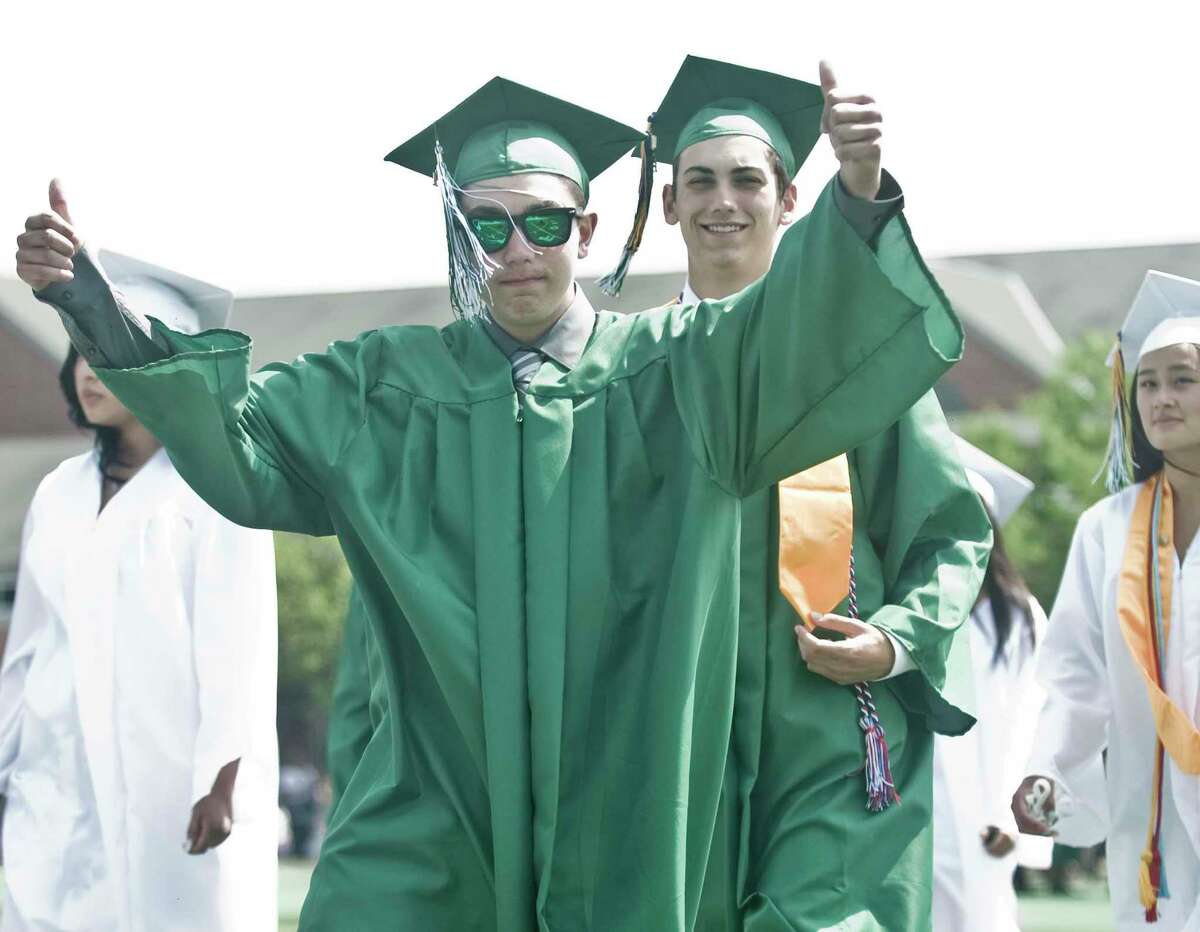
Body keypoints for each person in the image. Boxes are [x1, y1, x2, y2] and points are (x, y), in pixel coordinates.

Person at [16, 70, 963, 930]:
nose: (518, 249)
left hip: (625, 787)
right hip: (449, 792)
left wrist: (858, 197)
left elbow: (805, 337)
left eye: (546, 223)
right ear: (456, 231)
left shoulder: (684, 370)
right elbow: (240, 446)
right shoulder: (386, 389)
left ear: (586, 232)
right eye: (488, 223)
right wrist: (96, 310)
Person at [599, 55, 990, 931]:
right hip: (675, 724)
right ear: (668, 205)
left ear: (789, 202)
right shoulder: (623, 369)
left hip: (833, 719)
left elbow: (950, 530)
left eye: (747, 179)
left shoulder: (853, 357)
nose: (721, 200)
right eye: (698, 180)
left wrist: (897, 640)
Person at [0, 251, 279, 930]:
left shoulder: (212, 487)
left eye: (109, 351)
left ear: (161, 369)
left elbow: (238, 644)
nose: (86, 369)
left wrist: (220, 781)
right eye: (79, 349)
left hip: (172, 772)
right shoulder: (58, 491)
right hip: (56, 770)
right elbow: (29, 644)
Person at [1013, 270, 1200, 931]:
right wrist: (1049, 770)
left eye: (1182, 379)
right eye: (1147, 383)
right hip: (1149, 809)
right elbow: (1075, 673)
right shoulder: (1109, 528)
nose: (1161, 398)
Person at [932, 440, 1053, 932]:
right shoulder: (919, 607)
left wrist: (1023, 824)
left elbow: (1040, 723)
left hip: (991, 814)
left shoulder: (1021, 619)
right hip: (926, 811)